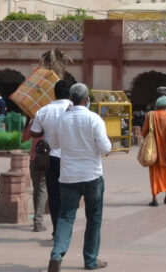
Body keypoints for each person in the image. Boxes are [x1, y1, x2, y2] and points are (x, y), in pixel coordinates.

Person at [47, 83, 109, 272]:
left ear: (71, 99)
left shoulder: (62, 120)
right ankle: (90, 259)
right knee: (94, 218)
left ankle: (57, 254)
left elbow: (54, 144)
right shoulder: (94, 119)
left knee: (65, 216)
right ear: (86, 99)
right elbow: (105, 148)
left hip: (68, 176)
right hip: (91, 175)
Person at [30, 79, 72, 236]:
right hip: (70, 158)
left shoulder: (44, 110)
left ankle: (57, 230)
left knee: (54, 196)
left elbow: (34, 132)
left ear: (54, 93)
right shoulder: (74, 109)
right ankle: (65, 230)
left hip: (52, 157)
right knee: (70, 195)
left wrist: (45, 133)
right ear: (70, 94)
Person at [140, 96, 166, 206]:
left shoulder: (150, 115)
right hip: (165, 150)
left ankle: (154, 199)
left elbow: (144, 132)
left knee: (154, 174)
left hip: (152, 151)